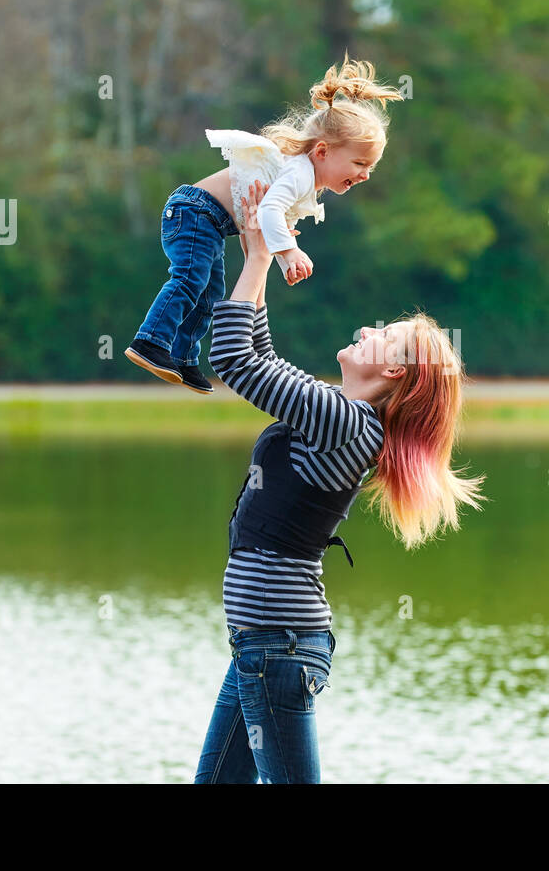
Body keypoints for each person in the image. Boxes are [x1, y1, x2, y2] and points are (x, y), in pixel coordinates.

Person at [193, 182, 486, 783]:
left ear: (395, 369)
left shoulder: (347, 424)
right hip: (267, 645)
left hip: (278, 646)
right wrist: (264, 255)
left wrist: (253, 260)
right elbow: (261, 357)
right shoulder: (337, 410)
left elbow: (234, 363)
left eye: (385, 335)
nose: (368, 331)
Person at [125, 55, 403, 393]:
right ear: (322, 151)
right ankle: (150, 341)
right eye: (359, 162)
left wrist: (282, 250)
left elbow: (269, 220)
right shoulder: (300, 173)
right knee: (190, 279)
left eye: (370, 167)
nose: (365, 174)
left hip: (208, 220)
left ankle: (183, 358)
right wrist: (291, 251)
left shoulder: (305, 177)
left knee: (210, 292)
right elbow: (269, 212)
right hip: (194, 211)